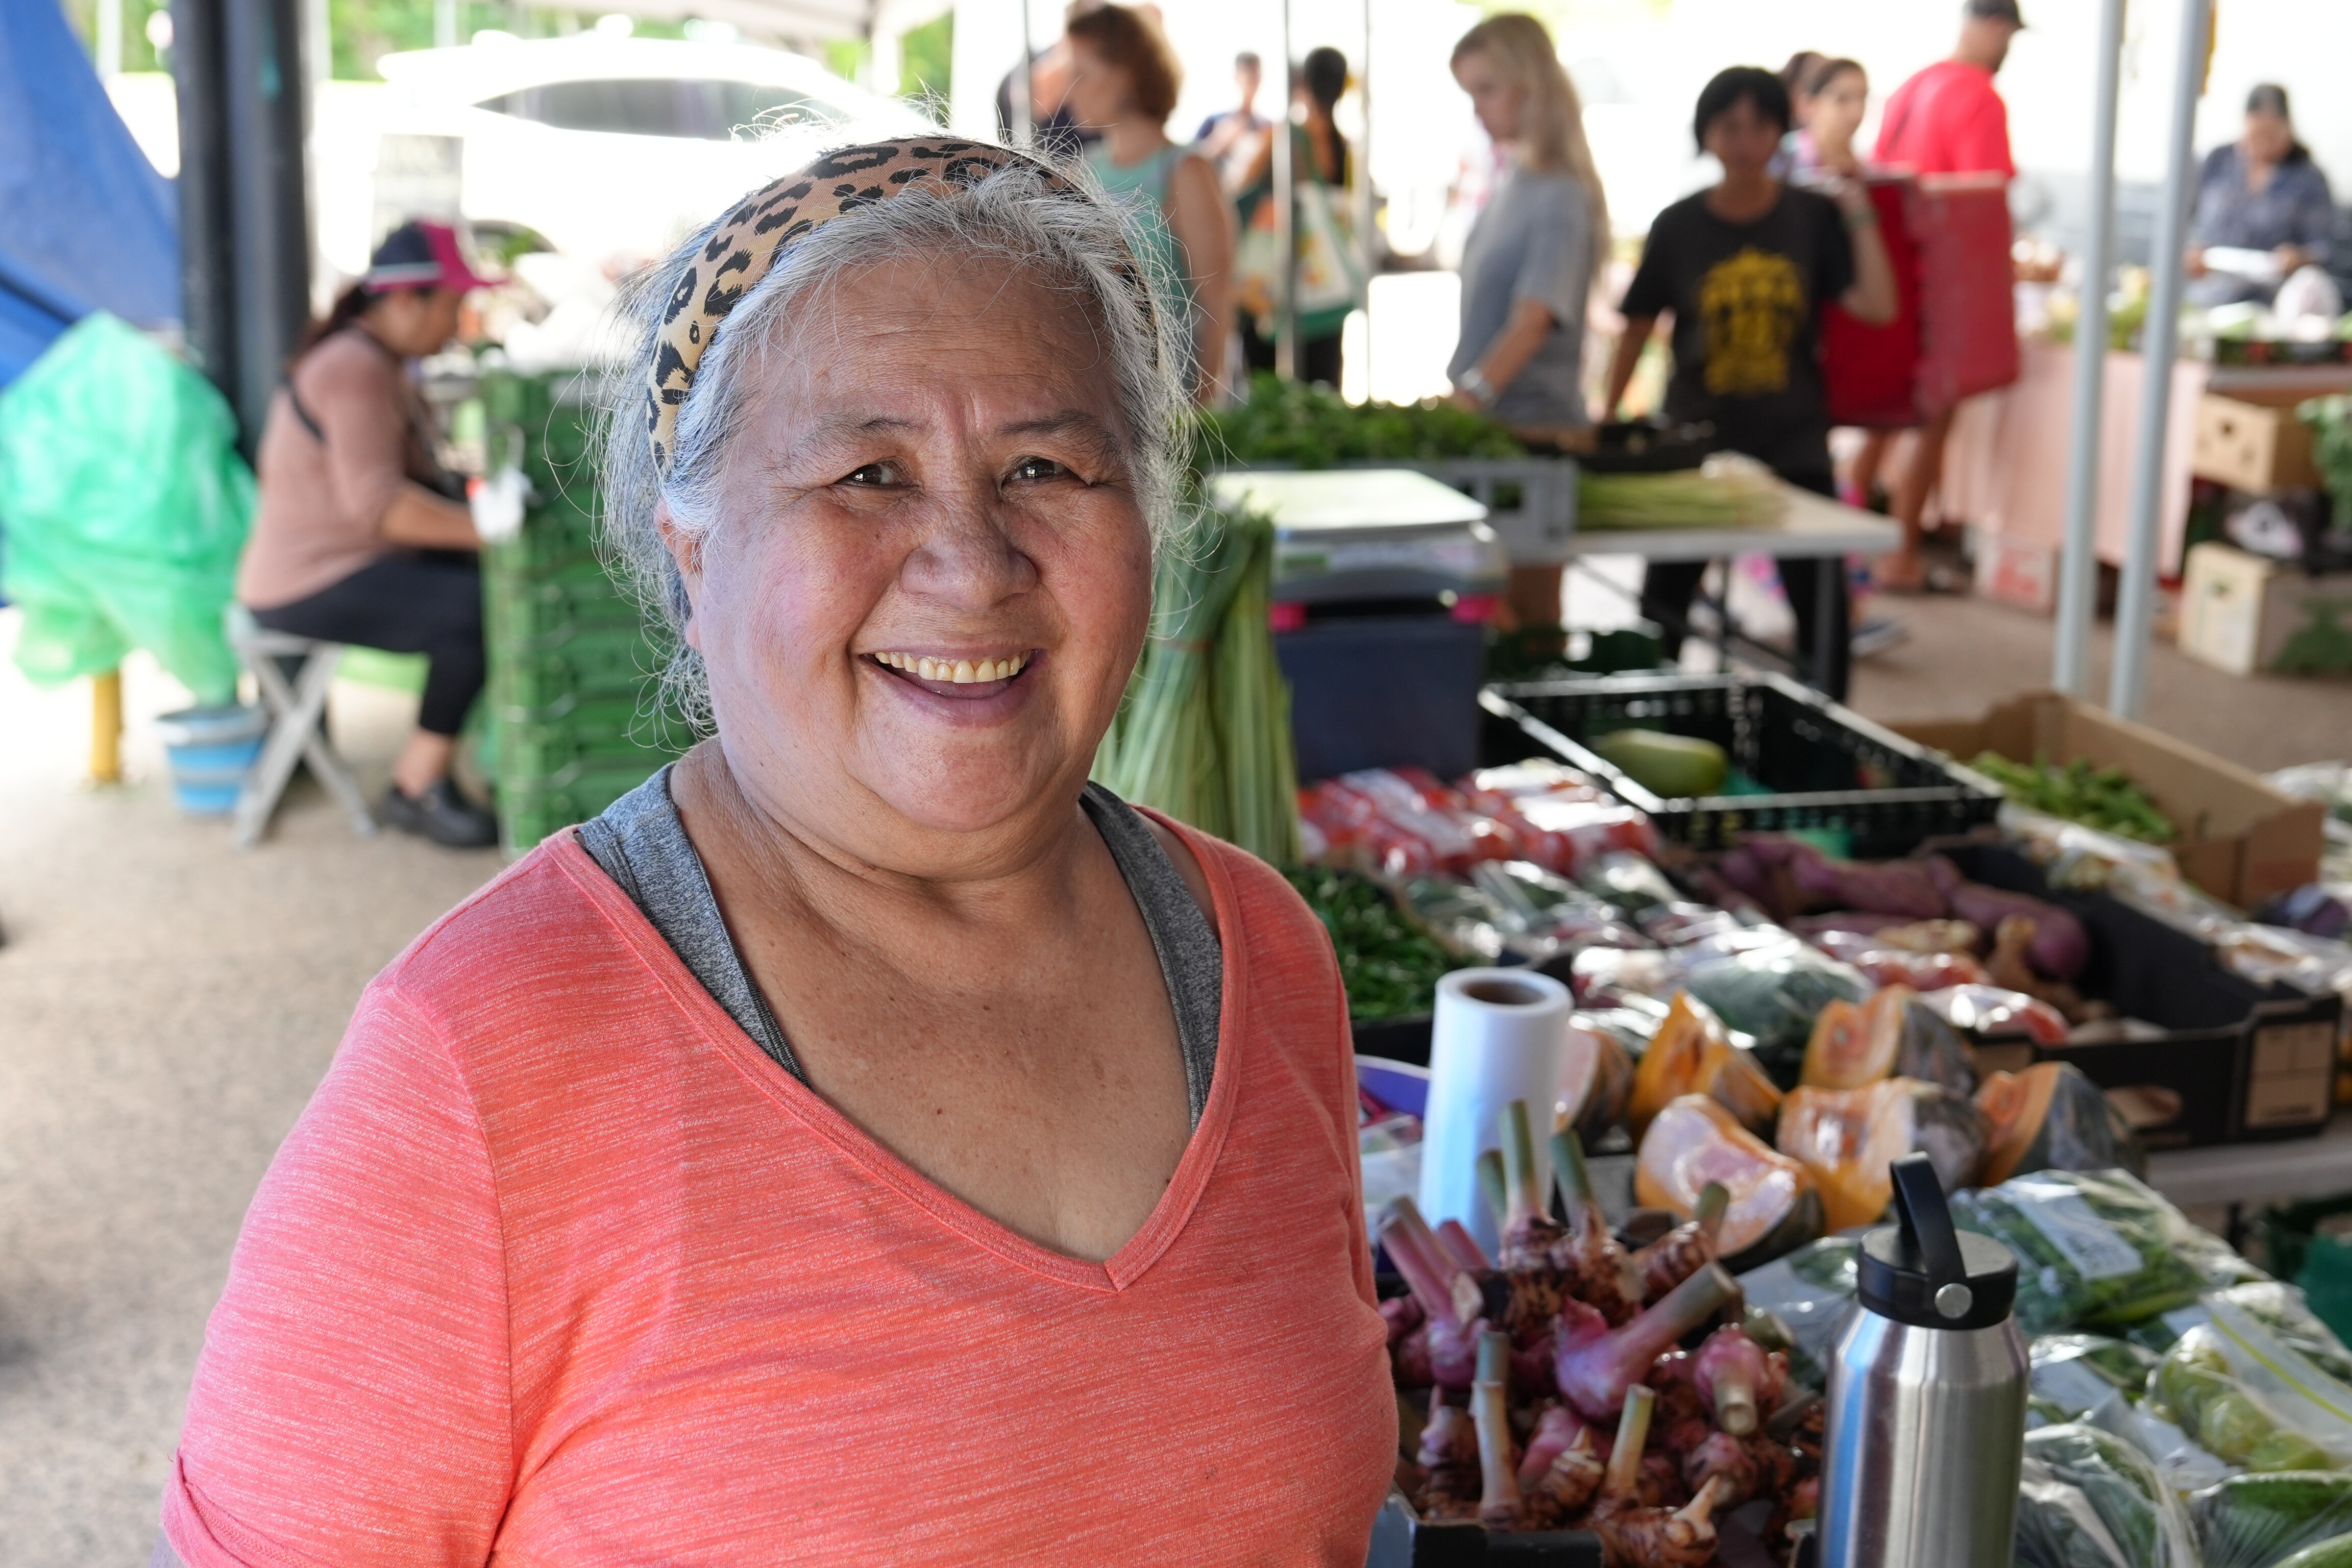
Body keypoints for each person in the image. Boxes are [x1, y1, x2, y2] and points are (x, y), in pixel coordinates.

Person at [153, 137, 1395, 1567]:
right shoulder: (479, 1066)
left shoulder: (1263, 957)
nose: (972, 560)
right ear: (694, 555)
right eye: (867, 473)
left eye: (1046, 466)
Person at [1602, 67, 1898, 700]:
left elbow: (1877, 306)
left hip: (1792, 437)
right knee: (1663, 607)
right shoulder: (1678, 224)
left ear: (1780, 132)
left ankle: (1826, 730)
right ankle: (1643, 711)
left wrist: (1858, 214)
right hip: (1694, 441)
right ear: (1706, 134)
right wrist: (1608, 417)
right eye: (1728, 126)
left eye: (1759, 126)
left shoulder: (1811, 217)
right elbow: (1636, 326)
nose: (1743, 142)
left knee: (1821, 607)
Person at [234, 220, 496, 849]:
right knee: (472, 609)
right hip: (306, 582)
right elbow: (381, 509)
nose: (459, 323)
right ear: (407, 301)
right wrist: (490, 532)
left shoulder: (378, 362)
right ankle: (416, 786)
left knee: (475, 585)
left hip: (340, 564)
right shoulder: (356, 368)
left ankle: (445, 772)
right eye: (453, 305)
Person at [1445, 13, 1610, 628]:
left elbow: (1534, 319)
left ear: (1530, 84)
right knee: (1494, 615)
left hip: (1533, 437)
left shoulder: (1559, 192)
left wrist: (1469, 398)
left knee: (1527, 622)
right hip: (1495, 435)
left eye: (1487, 90)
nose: (1478, 109)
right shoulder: (1517, 177)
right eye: (1472, 93)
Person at [1865, 0, 2023, 591]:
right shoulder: (1979, 96)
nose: (2007, 48)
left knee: (1880, 413)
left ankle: (1848, 545)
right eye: (2008, 35)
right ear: (1993, 26)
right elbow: (1986, 197)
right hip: (1945, 279)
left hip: (1893, 269)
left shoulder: (1912, 86)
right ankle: (1899, 553)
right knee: (1931, 418)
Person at [1065, 4, 1236, 401]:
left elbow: (1217, 302)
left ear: (1124, 73)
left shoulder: (1185, 171)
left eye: (1081, 74)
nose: (1071, 90)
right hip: (1102, 396)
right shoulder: (1080, 173)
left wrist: (1203, 411)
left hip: (1172, 396)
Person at [1233, 46, 1355, 387]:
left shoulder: (1287, 137)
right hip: (1326, 282)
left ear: (1302, 85)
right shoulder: (1343, 145)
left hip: (1280, 283)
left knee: (1269, 381)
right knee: (1324, 379)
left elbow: (1241, 191)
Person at [2188, 84, 2336, 307]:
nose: (2262, 146)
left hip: (2272, 300)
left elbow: (2322, 249)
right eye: (2256, 136)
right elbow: (2184, 220)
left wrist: (2297, 258)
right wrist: (2193, 251)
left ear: (2287, 130)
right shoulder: (2218, 161)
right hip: (2208, 293)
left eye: (2272, 137)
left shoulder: (2308, 179)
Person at [1195, 50, 1270, 193]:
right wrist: (1218, 144)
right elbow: (1191, 162)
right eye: (1248, 75)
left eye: (1256, 76)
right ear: (1236, 77)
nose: (1252, 82)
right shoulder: (1215, 122)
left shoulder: (1268, 128)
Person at [1791, 57, 1869, 179]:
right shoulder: (1785, 162)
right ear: (1809, 105)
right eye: (1842, 99)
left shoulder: (1864, 169)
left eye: (1862, 98)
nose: (1856, 113)